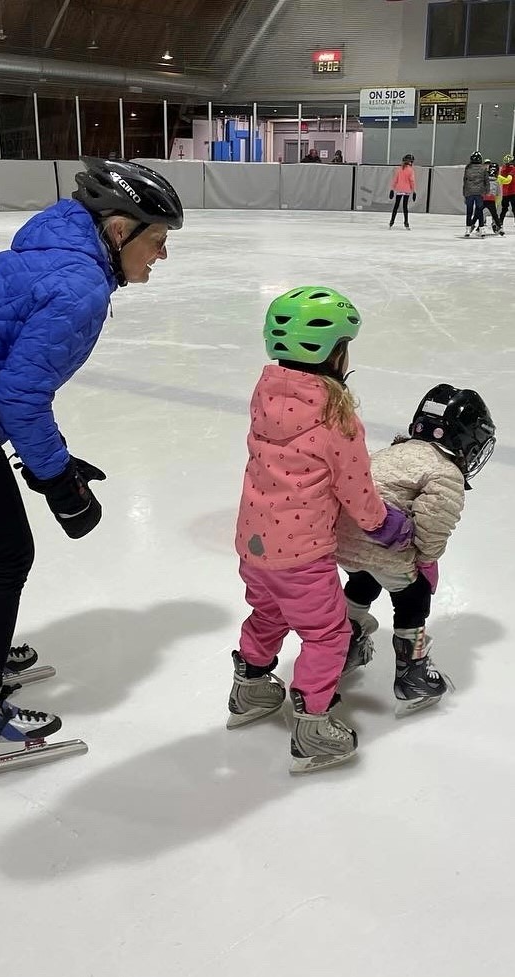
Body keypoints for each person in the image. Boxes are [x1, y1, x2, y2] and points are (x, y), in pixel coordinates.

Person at [0, 158, 183, 752]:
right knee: (5, 554)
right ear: (119, 229)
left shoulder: (57, 256)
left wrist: (58, 466)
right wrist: (59, 483)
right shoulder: (78, 285)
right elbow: (22, 397)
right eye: (156, 240)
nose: (161, 255)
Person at [227, 286, 413, 773]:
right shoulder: (336, 416)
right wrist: (387, 527)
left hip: (253, 545)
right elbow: (357, 492)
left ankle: (248, 691)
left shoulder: (266, 394)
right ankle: (313, 725)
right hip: (301, 555)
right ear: (335, 352)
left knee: (267, 616)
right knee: (328, 635)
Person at [337, 384, 495, 715]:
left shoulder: (389, 453)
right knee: (413, 595)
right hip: (386, 547)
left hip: (344, 544)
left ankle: (344, 644)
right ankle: (413, 675)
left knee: (364, 579)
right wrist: (425, 560)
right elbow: (433, 524)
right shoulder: (445, 471)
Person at [463, 151, 490, 237]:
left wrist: (464, 193)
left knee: (469, 211)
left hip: (469, 192)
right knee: (479, 211)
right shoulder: (483, 168)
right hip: (479, 193)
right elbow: (486, 181)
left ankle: (468, 229)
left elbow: (465, 181)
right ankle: (482, 229)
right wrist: (487, 191)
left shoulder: (468, 168)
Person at [389, 154, 416, 229]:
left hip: (399, 189)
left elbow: (395, 180)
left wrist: (392, 189)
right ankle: (406, 222)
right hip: (407, 190)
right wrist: (414, 191)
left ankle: (392, 221)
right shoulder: (411, 170)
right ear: (410, 162)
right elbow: (412, 181)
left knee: (396, 206)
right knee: (405, 207)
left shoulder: (399, 169)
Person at [498, 152, 515, 229]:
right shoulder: (513, 169)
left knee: (504, 209)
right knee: (514, 209)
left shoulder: (503, 169)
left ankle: (500, 223)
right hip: (513, 192)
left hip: (505, 193)